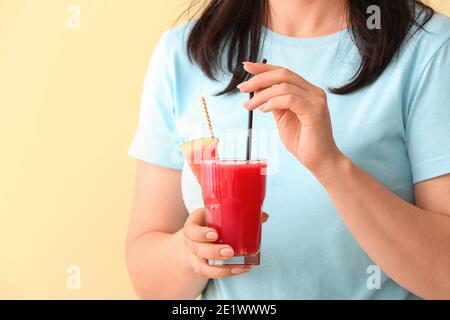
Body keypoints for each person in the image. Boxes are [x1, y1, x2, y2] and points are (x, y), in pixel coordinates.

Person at [126, 0, 450, 299]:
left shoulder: (431, 48)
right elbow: (149, 279)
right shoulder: (184, 53)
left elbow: (443, 276)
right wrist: (190, 254)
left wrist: (330, 165)